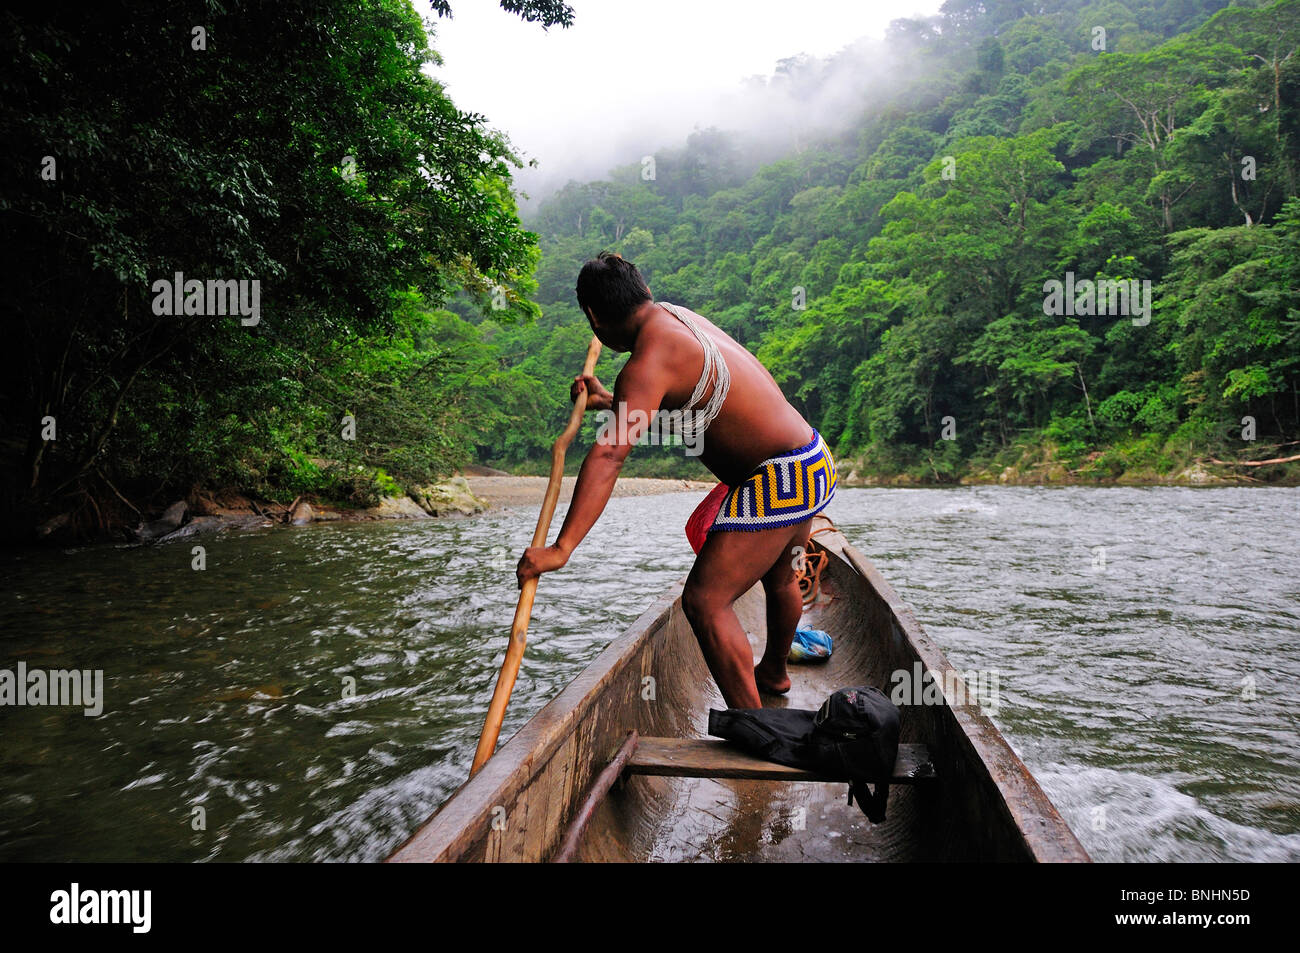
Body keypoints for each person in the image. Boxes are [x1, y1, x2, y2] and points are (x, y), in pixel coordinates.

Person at [516, 252, 836, 709]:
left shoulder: (649, 359)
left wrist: (560, 549)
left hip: (777, 475)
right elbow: (691, 409)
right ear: (642, 290)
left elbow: (609, 454)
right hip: (810, 460)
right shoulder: (677, 318)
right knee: (781, 578)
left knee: (705, 602)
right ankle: (774, 674)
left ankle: (756, 723)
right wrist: (610, 401)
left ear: (594, 317)